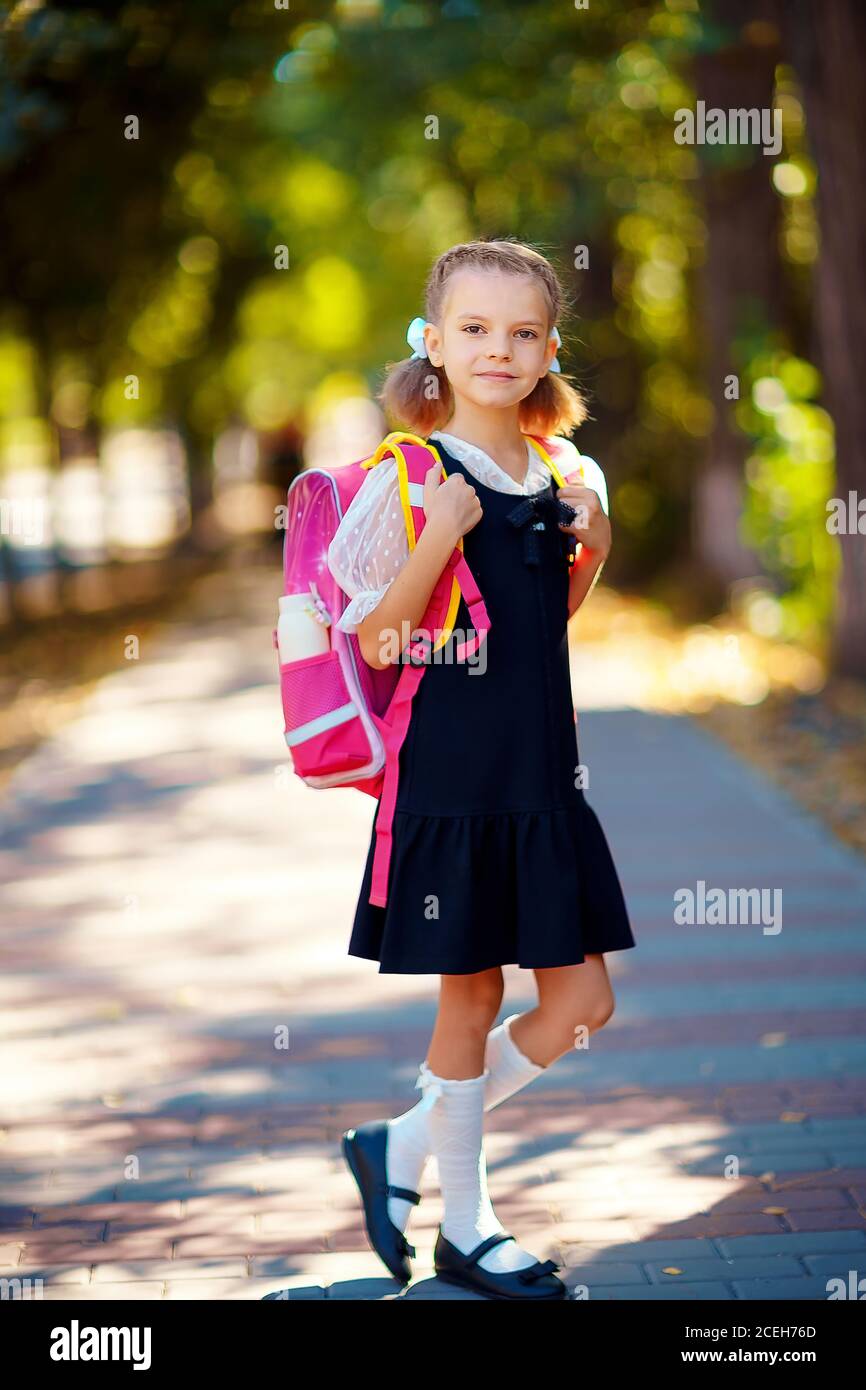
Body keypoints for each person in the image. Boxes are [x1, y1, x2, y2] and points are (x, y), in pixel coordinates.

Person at [327, 237, 636, 1300]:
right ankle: (467, 1224)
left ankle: (400, 1147)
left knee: (582, 1000)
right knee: (470, 996)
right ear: (434, 345)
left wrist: (590, 553)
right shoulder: (408, 477)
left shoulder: (564, 473)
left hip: (544, 776)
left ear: (548, 348)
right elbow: (374, 639)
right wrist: (437, 537)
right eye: (472, 329)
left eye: (520, 332)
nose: (496, 349)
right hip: (451, 780)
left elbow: (543, 627)